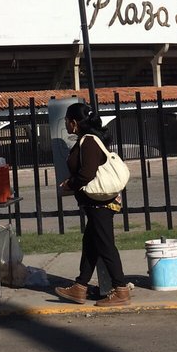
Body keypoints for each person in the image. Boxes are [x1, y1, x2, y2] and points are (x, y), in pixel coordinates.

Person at [55, 103, 130, 308]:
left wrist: (69, 184)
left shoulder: (88, 142)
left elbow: (87, 173)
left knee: (105, 246)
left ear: (74, 122)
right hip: (95, 204)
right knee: (90, 246)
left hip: (99, 205)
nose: (65, 124)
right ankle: (80, 287)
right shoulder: (87, 140)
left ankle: (121, 289)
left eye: (66, 121)